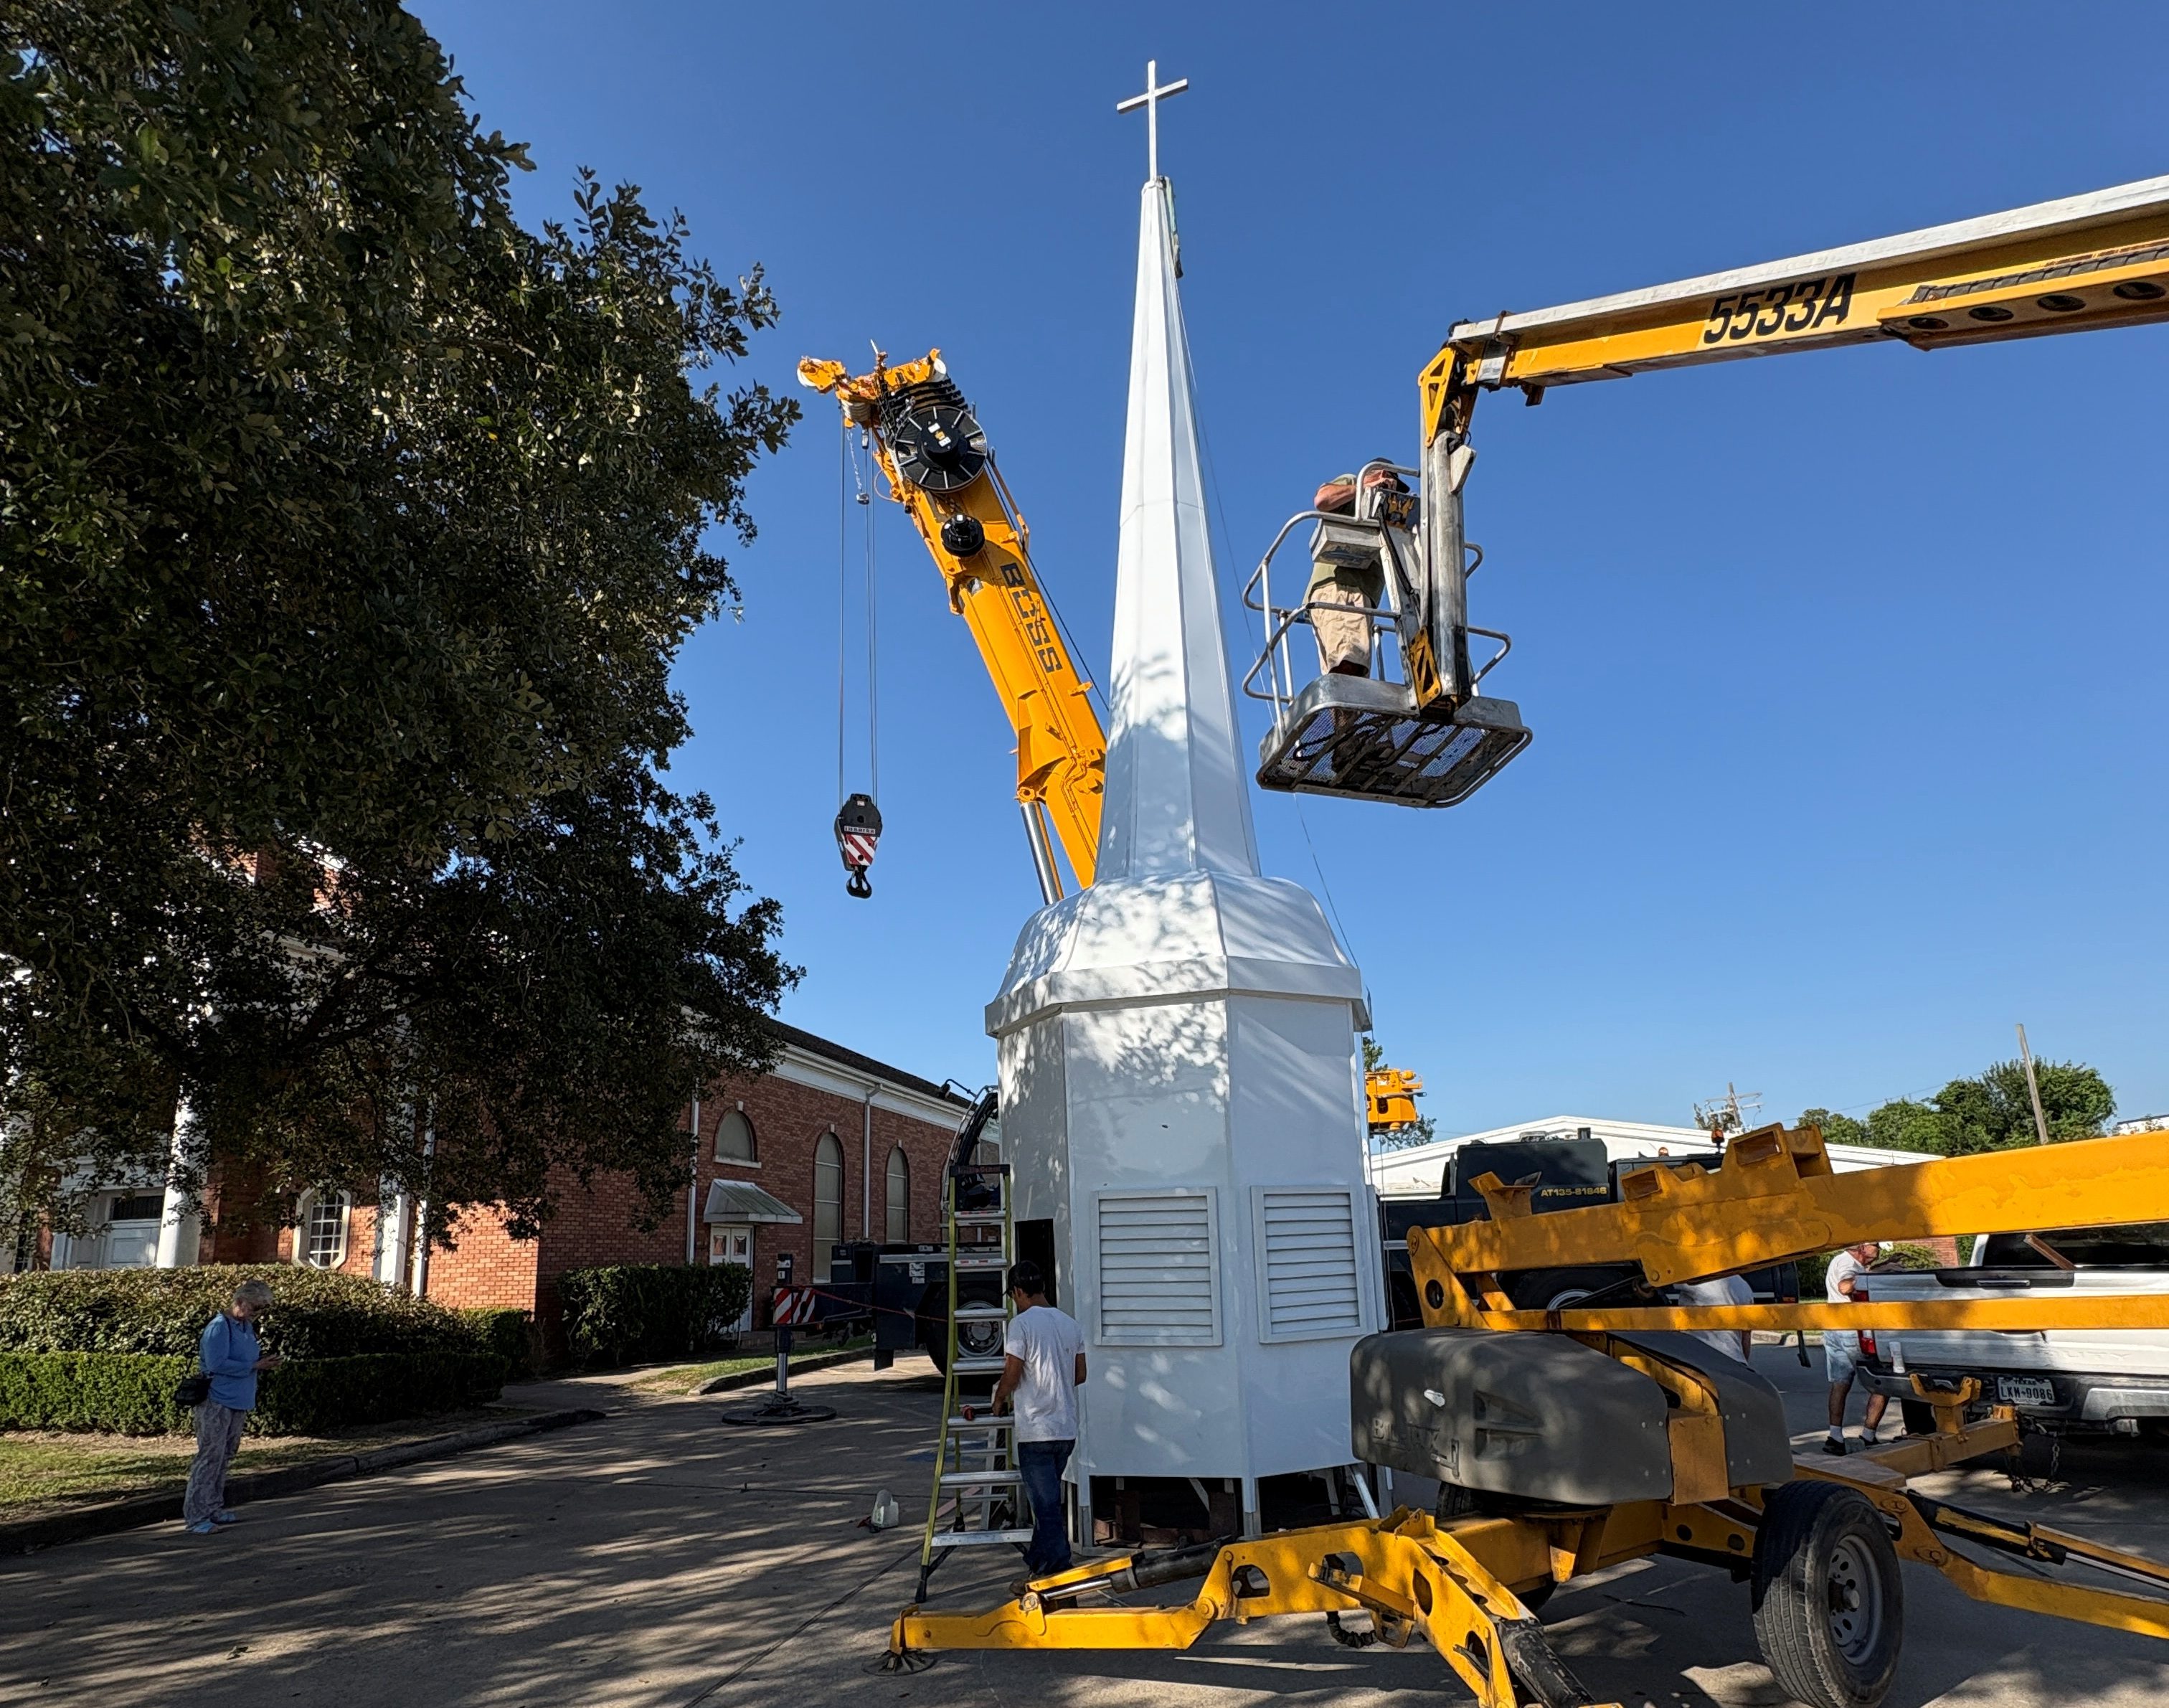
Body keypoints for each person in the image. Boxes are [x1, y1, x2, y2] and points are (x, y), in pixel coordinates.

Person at [992, 1260, 1085, 1582]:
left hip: (1036, 1431)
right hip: (1066, 1429)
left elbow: (1012, 1373)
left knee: (1045, 1508)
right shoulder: (1070, 1324)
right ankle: (1037, 1560)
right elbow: (1080, 1374)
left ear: (1018, 1291)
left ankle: (1059, 1569)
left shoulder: (1021, 1325)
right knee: (1047, 1501)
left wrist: (1000, 1398)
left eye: (1013, 1296)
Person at [182, 1278, 283, 1534]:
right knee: (210, 1456)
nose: (256, 1314)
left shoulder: (246, 1328)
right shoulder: (218, 1327)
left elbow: (246, 1358)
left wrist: (260, 1363)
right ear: (239, 1302)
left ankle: (213, 1506)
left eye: (260, 1309)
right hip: (217, 1399)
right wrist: (253, 1366)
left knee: (225, 1455)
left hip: (239, 1398)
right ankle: (196, 1516)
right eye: (255, 1307)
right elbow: (215, 1365)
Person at [1305, 469, 1402, 681]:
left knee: (1350, 672)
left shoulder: (1388, 517)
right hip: (1342, 589)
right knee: (1349, 667)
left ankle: (1345, 714)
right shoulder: (1354, 484)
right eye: (1388, 480)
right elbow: (1323, 499)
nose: (1391, 488)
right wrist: (1364, 485)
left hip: (1358, 597)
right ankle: (1346, 712)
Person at [1822, 1240, 1888, 1455]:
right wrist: (1874, 1276)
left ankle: (1835, 1436)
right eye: (1875, 1246)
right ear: (1862, 1248)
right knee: (1881, 1379)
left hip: (1833, 1327)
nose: (1878, 1250)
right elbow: (1845, 1286)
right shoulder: (1848, 1265)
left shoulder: (1841, 1261)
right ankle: (1868, 1435)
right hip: (1850, 1329)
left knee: (1840, 1383)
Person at [1674, 1272, 1754, 1363]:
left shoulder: (1697, 1278)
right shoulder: (1744, 1286)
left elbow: (1663, 1277)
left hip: (1702, 1359)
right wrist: (1743, 1364)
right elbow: (1746, 1337)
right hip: (1735, 1359)